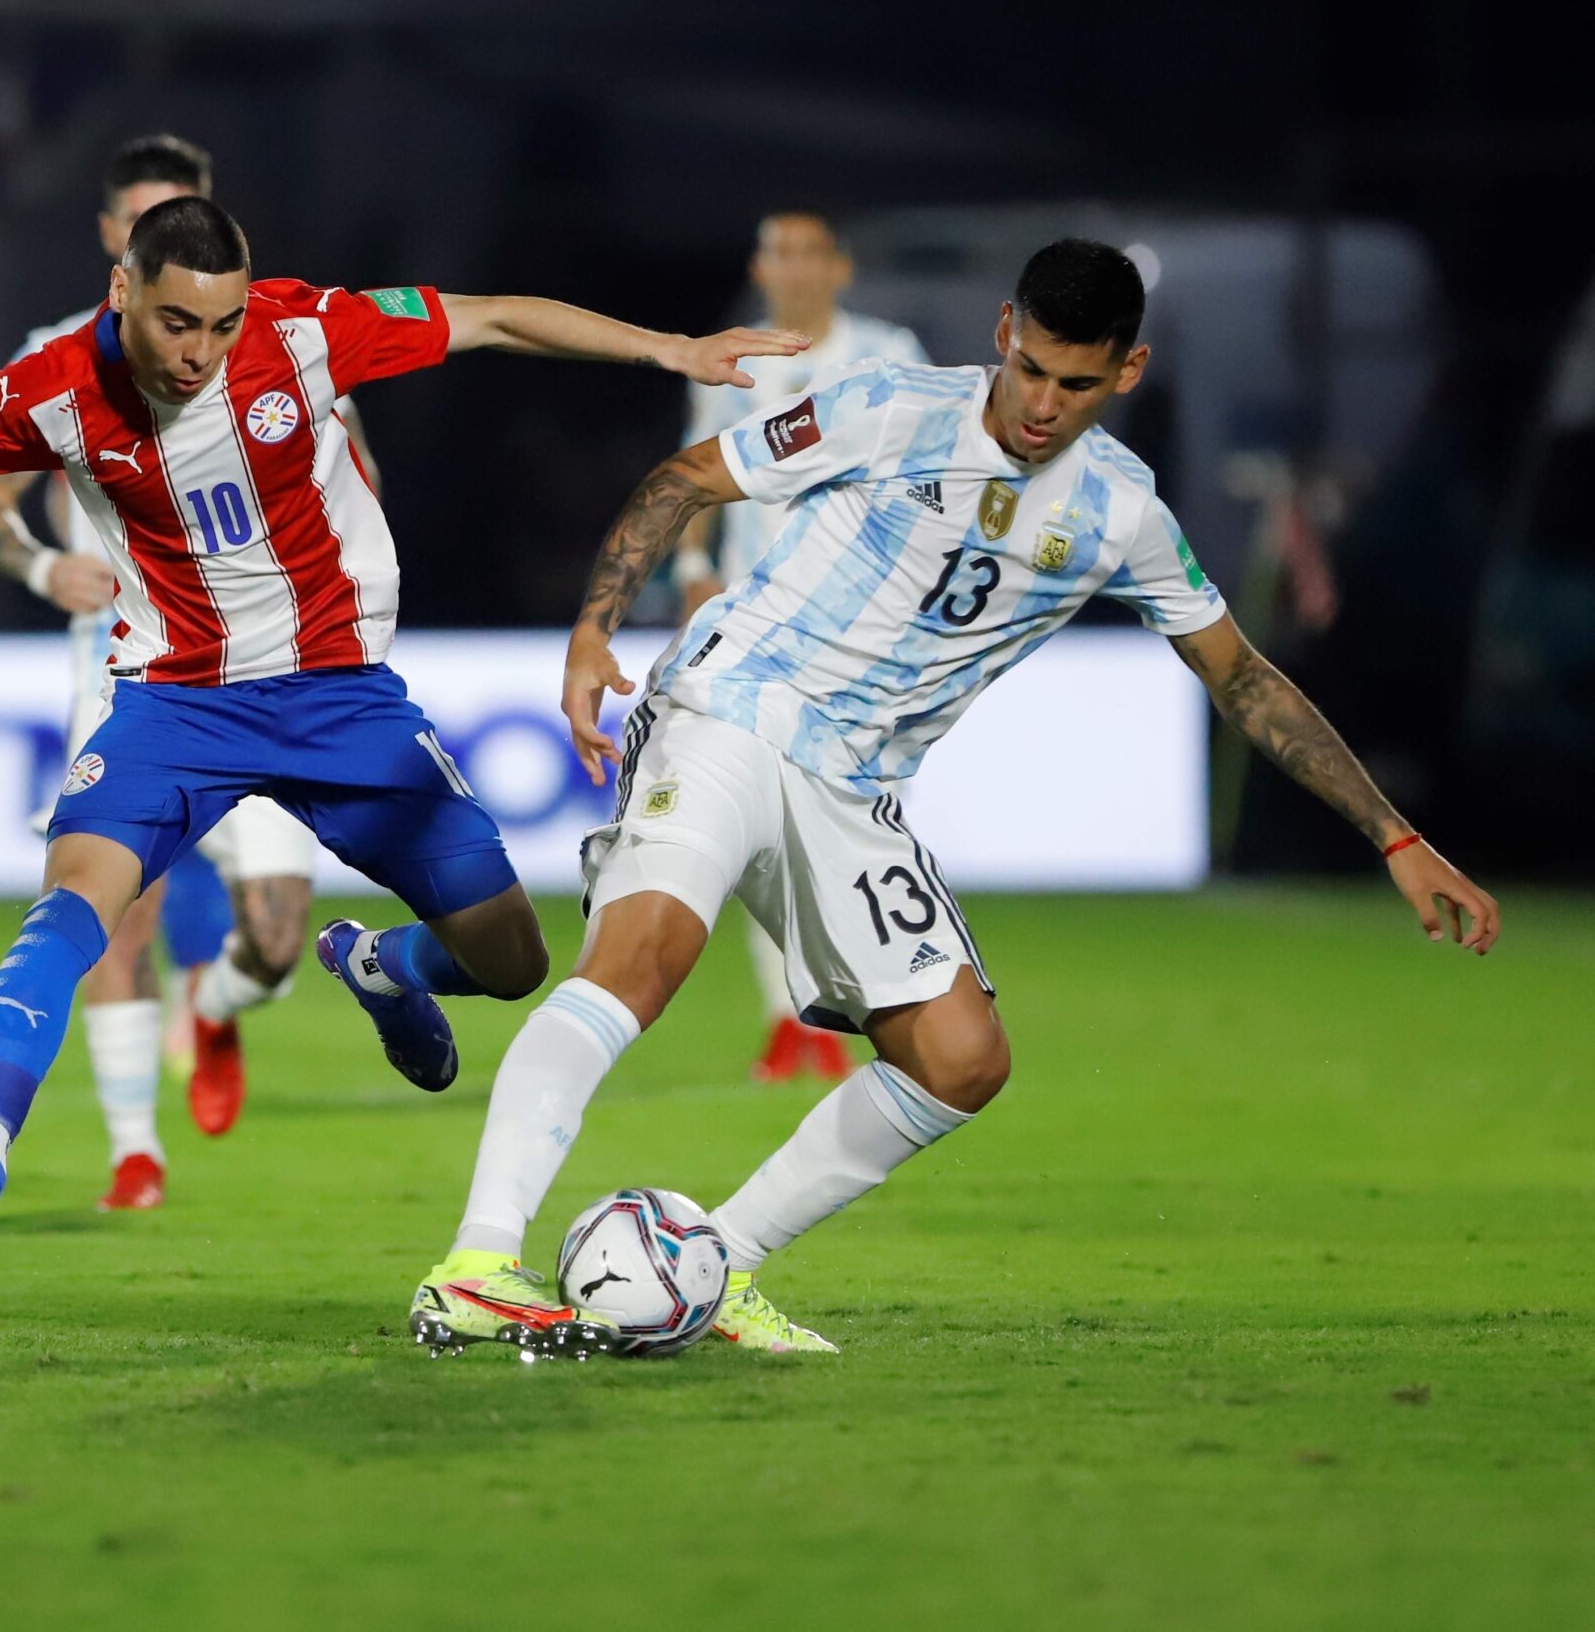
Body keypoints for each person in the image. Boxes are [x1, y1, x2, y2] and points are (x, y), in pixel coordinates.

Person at [409, 238, 1500, 1357]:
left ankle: (714, 1268)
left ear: (1127, 373)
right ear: (1001, 333)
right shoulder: (888, 408)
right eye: (1029, 367)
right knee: (639, 963)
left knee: (961, 1059)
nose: (1040, 404)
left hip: (854, 786)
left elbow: (1241, 677)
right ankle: (478, 1264)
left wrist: (1395, 836)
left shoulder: (1122, 515)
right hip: (735, 704)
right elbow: (687, 479)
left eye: (1076, 384)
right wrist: (595, 630)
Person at [0, 195, 808, 1266]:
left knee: (516, 962)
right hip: (173, 701)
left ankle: (386, 966)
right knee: (76, 900)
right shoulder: (49, 389)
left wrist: (668, 349)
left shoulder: (300, 334)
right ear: (121, 294)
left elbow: (493, 319)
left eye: (221, 323)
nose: (200, 353)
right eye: (174, 324)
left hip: (339, 699)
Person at [0, 135, 362, 1211]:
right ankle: (135, 1153)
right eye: (148, 217)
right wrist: (47, 567)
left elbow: (348, 479)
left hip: (268, 677)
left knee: (277, 938)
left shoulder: (280, 339)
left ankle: (219, 1007)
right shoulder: (57, 361)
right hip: (130, 682)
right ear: (111, 244)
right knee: (112, 915)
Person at [672, 209, 929, 1085]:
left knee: (844, 816)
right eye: (778, 252)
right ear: (760, 266)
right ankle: (799, 1018)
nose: (794, 267)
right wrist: (695, 566)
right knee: (759, 816)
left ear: (840, 266)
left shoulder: (888, 352)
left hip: (865, 625)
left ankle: (848, 1004)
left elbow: (937, 466)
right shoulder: (733, 361)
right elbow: (698, 471)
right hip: (760, 622)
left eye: (809, 251)